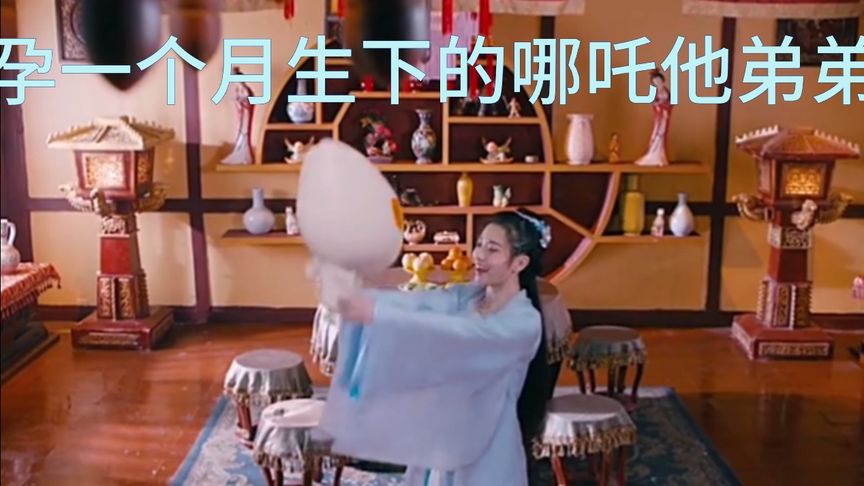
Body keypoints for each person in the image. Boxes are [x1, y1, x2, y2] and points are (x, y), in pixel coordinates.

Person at [319, 208, 553, 486]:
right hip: (444, 430)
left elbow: (459, 334)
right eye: (479, 244)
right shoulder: (467, 296)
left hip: (488, 438)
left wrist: (378, 314)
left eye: (492, 249)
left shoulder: (523, 322)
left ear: (519, 263)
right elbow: (420, 304)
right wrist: (365, 300)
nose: (479, 255)